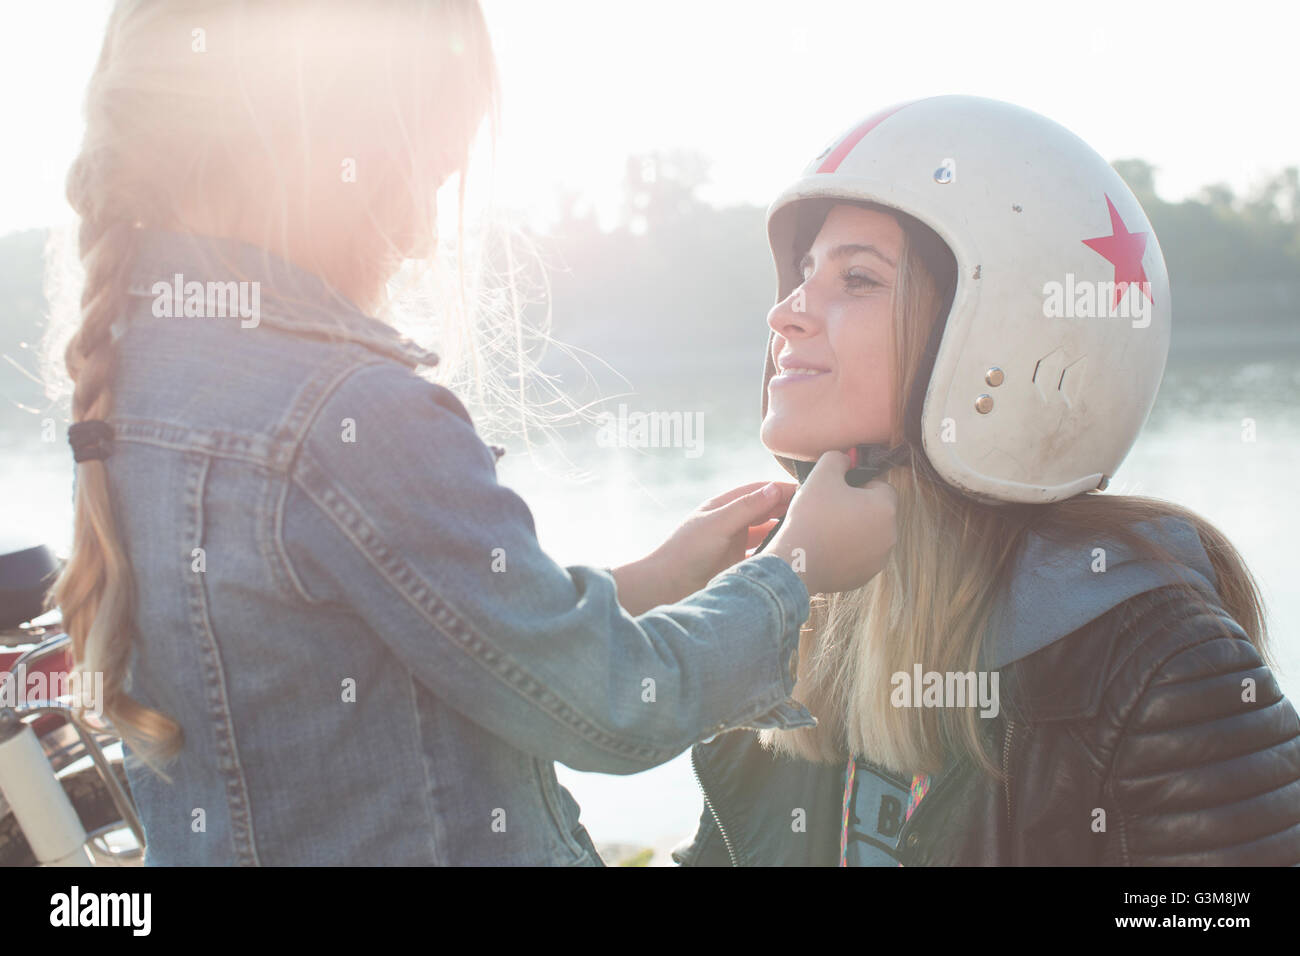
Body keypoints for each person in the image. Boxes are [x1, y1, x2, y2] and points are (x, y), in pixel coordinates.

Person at [46, 0, 898, 865]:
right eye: (426, 175)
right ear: (322, 147)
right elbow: (619, 709)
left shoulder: (136, 383)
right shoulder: (353, 415)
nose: (419, 237)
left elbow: (414, 630)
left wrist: (657, 576)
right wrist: (794, 573)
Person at [673, 95, 1300, 866]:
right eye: (803, 274)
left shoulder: (1158, 659)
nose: (787, 314)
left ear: (1007, 330)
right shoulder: (796, 610)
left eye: (858, 279)